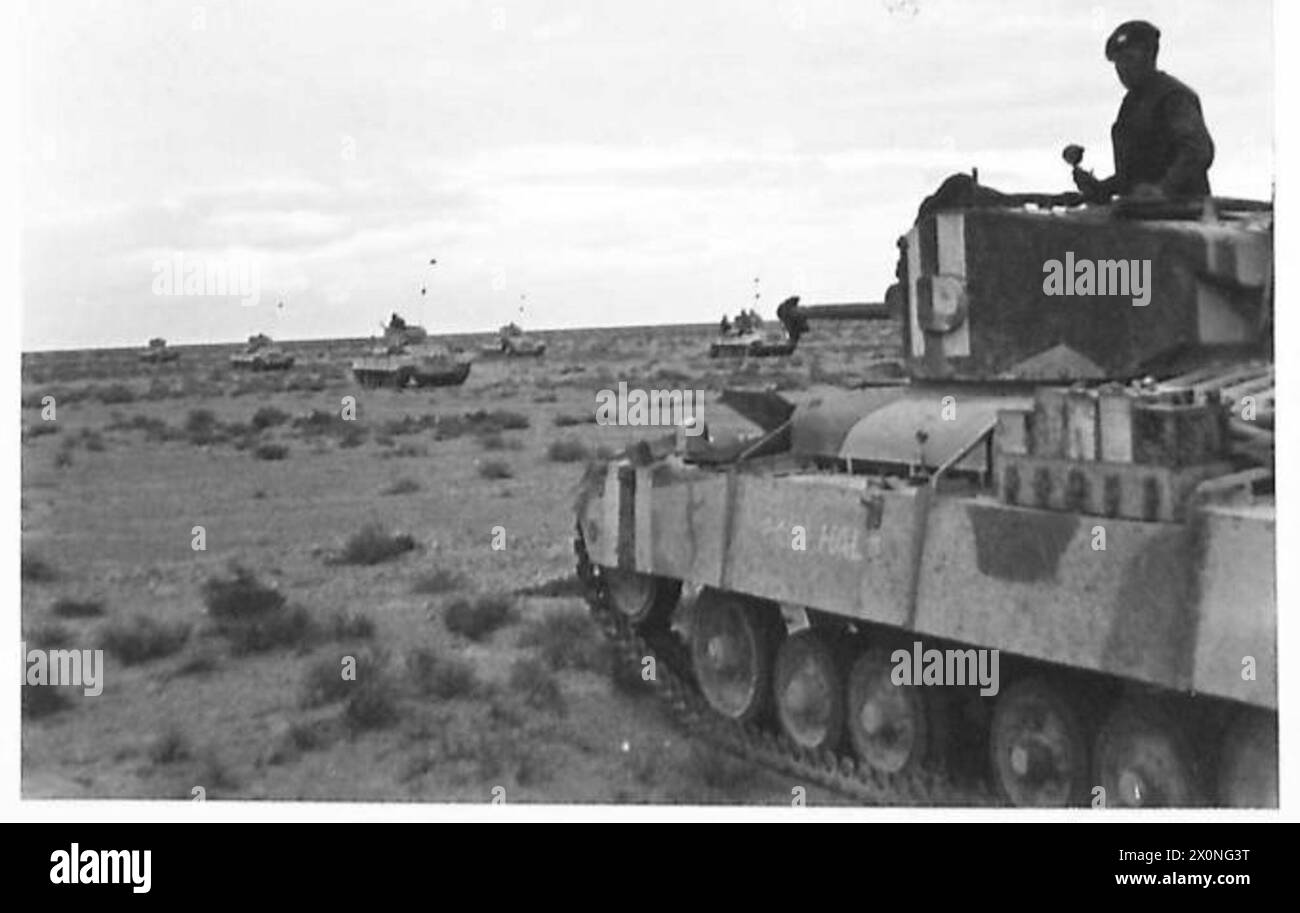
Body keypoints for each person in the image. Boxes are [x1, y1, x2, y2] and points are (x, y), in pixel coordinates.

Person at [1074, 21, 1215, 203]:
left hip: (1181, 216)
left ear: (1149, 56)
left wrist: (1163, 189)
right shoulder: (1133, 103)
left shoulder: (1173, 97)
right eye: (1118, 62)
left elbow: (1197, 151)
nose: (1123, 68)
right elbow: (1139, 174)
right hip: (1142, 216)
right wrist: (1101, 188)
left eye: (1129, 59)